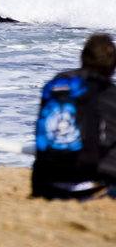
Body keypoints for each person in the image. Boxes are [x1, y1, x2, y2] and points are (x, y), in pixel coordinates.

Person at [31, 33, 116, 200]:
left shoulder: (58, 83)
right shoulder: (111, 93)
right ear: (113, 66)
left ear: (82, 57)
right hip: (93, 186)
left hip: (47, 182)